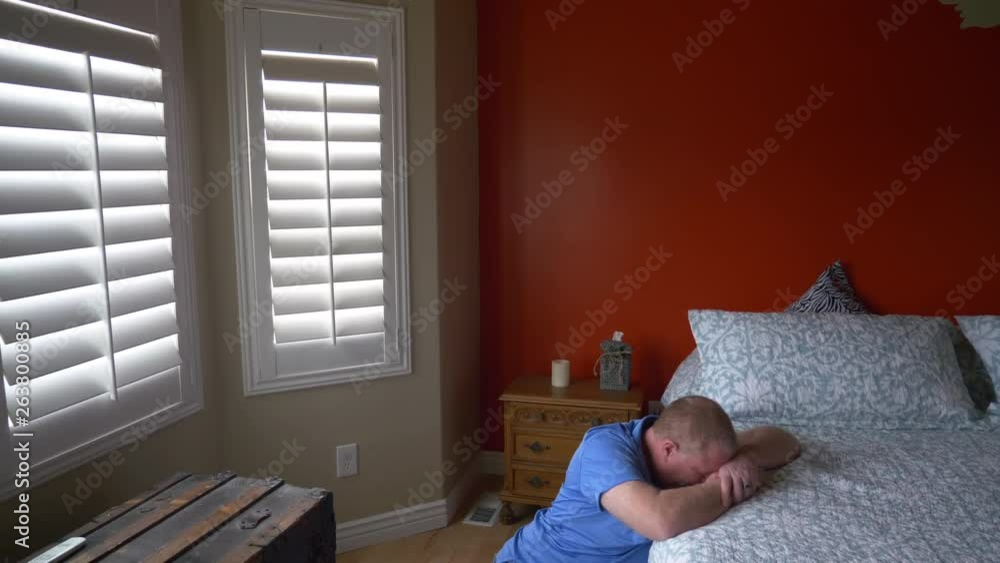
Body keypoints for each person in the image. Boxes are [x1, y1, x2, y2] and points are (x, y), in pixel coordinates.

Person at [494, 396, 800, 563]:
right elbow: (659, 521)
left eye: (717, 469)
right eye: (702, 472)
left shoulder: (698, 446)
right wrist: (722, 485)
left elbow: (784, 441)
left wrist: (744, 460)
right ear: (668, 449)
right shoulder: (603, 448)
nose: (711, 474)